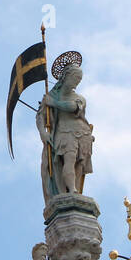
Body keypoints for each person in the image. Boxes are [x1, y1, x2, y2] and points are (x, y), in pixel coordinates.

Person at [37, 55, 93, 197]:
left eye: (79, 80)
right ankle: (71, 190)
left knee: (78, 165)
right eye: (75, 78)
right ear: (66, 76)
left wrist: (54, 103)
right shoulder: (52, 95)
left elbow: (73, 107)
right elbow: (40, 116)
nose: (77, 82)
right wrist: (43, 133)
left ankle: (75, 190)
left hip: (82, 133)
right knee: (69, 159)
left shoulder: (79, 98)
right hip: (64, 132)